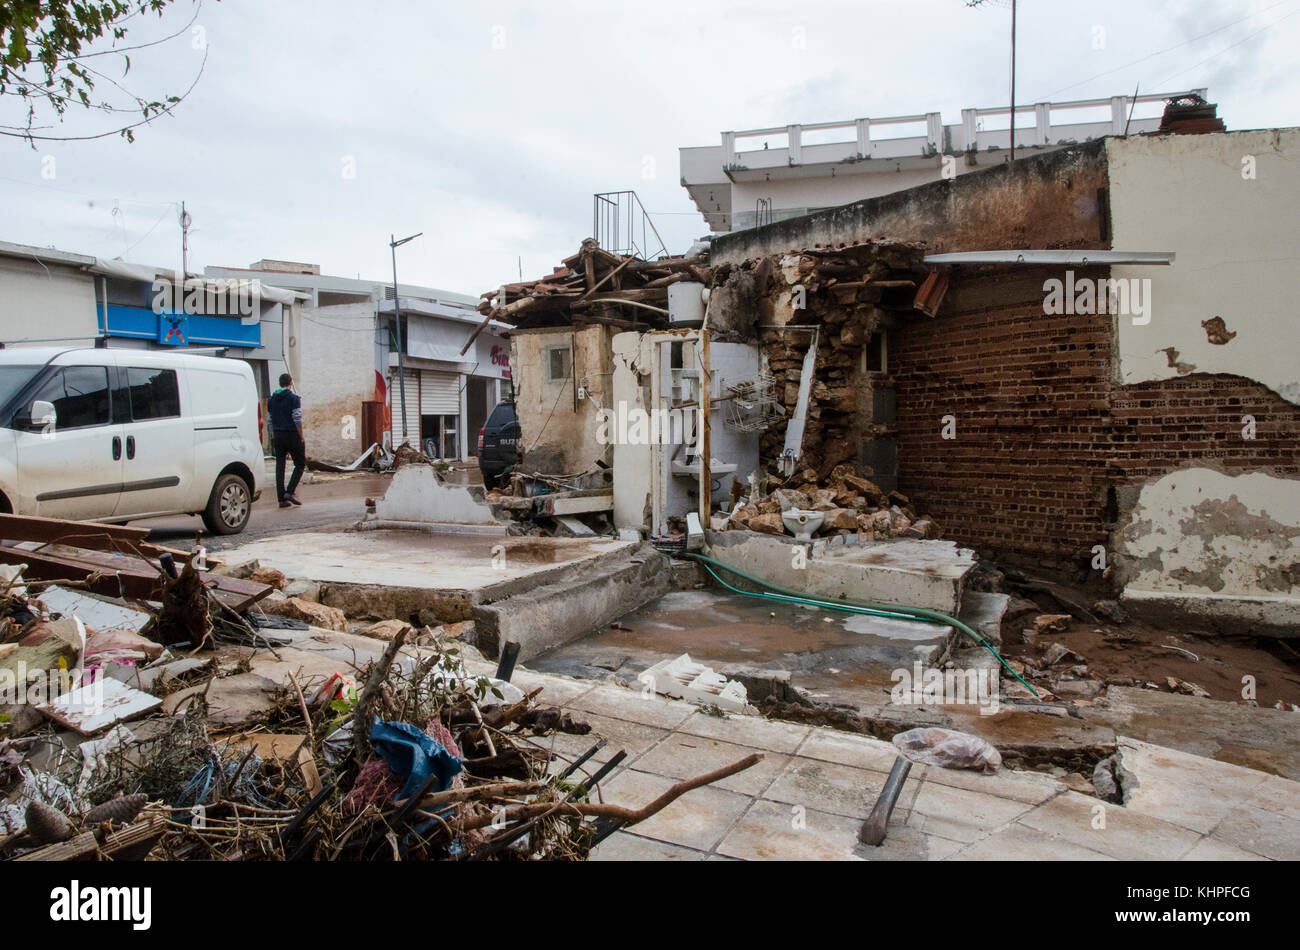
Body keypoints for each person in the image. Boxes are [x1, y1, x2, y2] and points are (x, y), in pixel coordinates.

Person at [268, 373, 305, 508]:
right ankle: (289, 492)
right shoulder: (294, 398)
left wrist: (273, 436)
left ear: (279, 383)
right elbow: (297, 418)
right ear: (290, 383)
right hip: (292, 434)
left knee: (280, 466)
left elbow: (269, 421)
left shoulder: (271, 399)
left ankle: (281, 499)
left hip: (278, 435)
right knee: (300, 464)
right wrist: (301, 435)